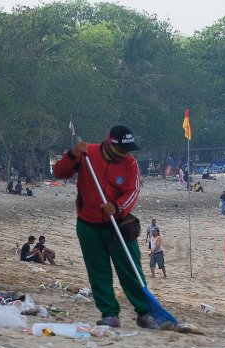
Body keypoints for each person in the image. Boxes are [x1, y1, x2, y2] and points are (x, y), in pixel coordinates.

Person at [53, 125, 157, 328]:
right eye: (121, 149)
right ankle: (109, 313)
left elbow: (133, 191)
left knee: (131, 269)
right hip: (88, 225)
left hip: (118, 225)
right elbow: (59, 172)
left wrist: (117, 207)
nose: (125, 154)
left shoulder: (130, 164)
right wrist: (72, 155)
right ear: (109, 143)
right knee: (98, 272)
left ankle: (144, 312)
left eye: (127, 150)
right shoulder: (87, 154)